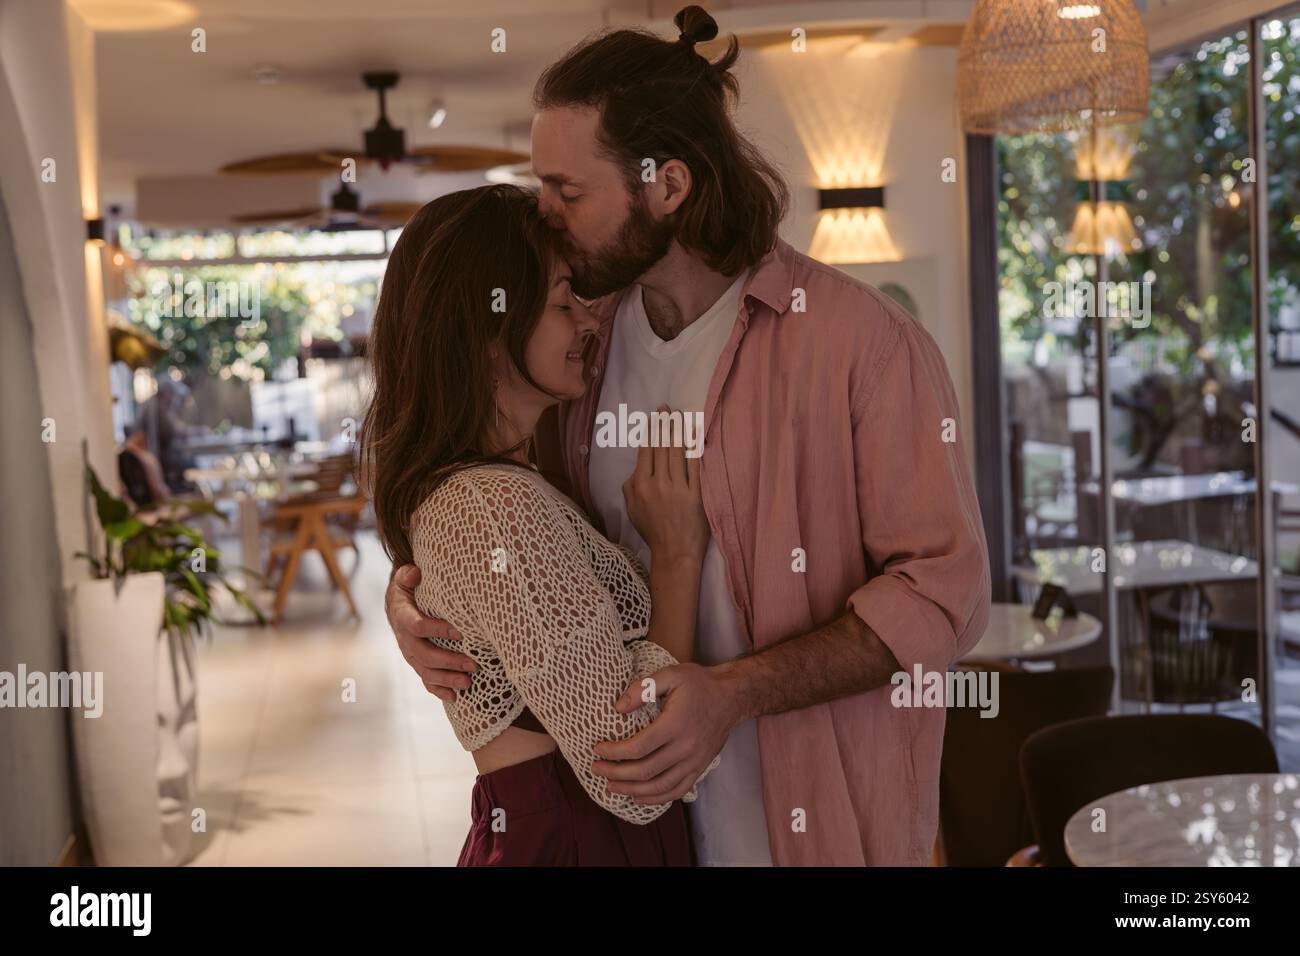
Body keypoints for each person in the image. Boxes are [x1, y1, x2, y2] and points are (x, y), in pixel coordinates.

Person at [385, 5, 991, 866]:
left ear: (667, 187)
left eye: (567, 192)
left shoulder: (864, 346)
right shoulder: (577, 349)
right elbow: (504, 520)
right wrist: (421, 599)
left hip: (809, 832)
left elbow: (943, 597)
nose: (544, 214)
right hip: (639, 838)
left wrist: (734, 692)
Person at [359, 184, 717, 866]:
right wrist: (677, 556)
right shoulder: (493, 505)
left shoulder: (490, 486)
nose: (589, 320)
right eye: (562, 302)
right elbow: (633, 770)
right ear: (490, 333)